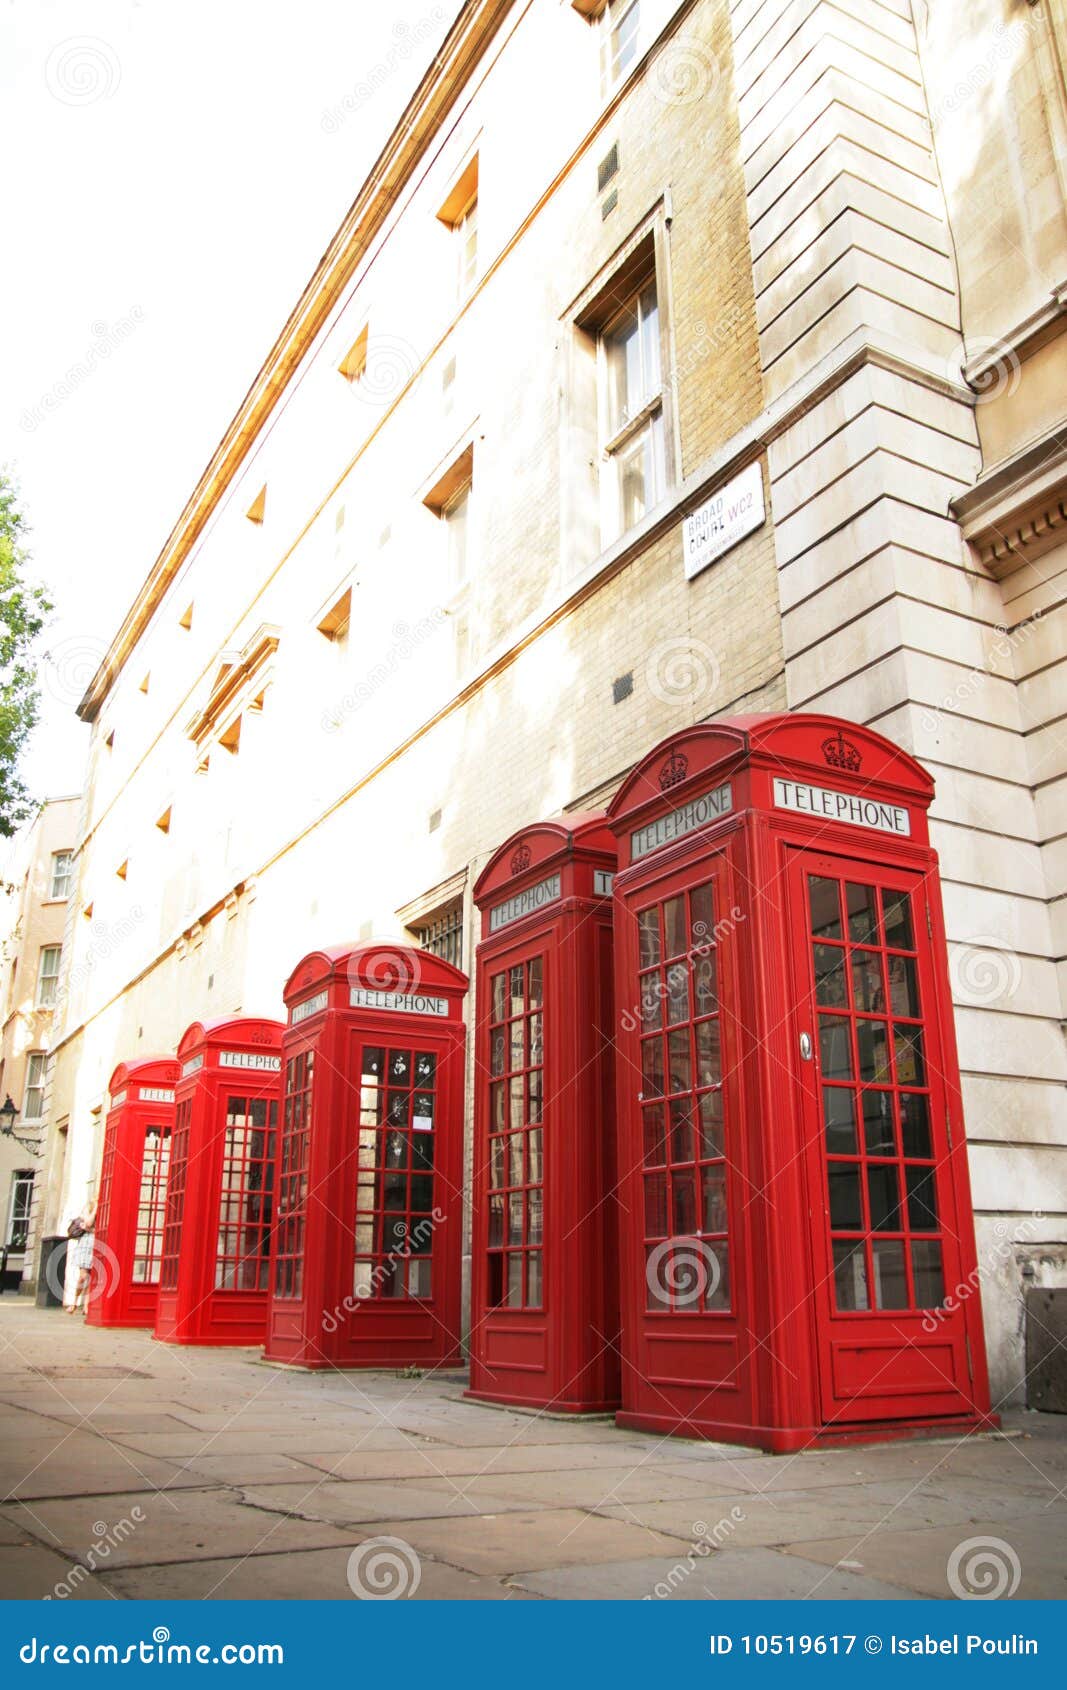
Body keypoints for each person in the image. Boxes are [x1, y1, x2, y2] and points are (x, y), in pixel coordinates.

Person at [65, 1198, 97, 1315]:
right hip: (85, 1245)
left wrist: (90, 1229)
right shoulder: (88, 1206)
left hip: (97, 1245)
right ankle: (74, 1302)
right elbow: (88, 1223)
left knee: (92, 1277)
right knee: (83, 1277)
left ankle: (86, 1306)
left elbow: (90, 1227)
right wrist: (95, 1210)